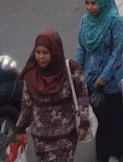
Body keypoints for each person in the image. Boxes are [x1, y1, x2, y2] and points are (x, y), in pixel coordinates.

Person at [16, 29, 91, 161]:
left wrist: (84, 123)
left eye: (45, 53)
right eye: (37, 52)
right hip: (41, 140)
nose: (40, 57)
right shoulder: (31, 76)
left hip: (65, 139)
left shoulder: (70, 71)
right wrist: (20, 129)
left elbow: (82, 95)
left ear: (55, 52)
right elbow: (26, 105)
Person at [76, 0, 123, 162]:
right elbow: (81, 48)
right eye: (87, 3)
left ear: (104, 2)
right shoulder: (85, 21)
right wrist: (78, 72)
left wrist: (104, 77)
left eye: (94, 3)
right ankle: (102, 155)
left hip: (111, 80)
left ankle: (116, 153)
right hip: (91, 78)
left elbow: (116, 52)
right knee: (98, 121)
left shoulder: (114, 21)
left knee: (114, 118)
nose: (90, 7)